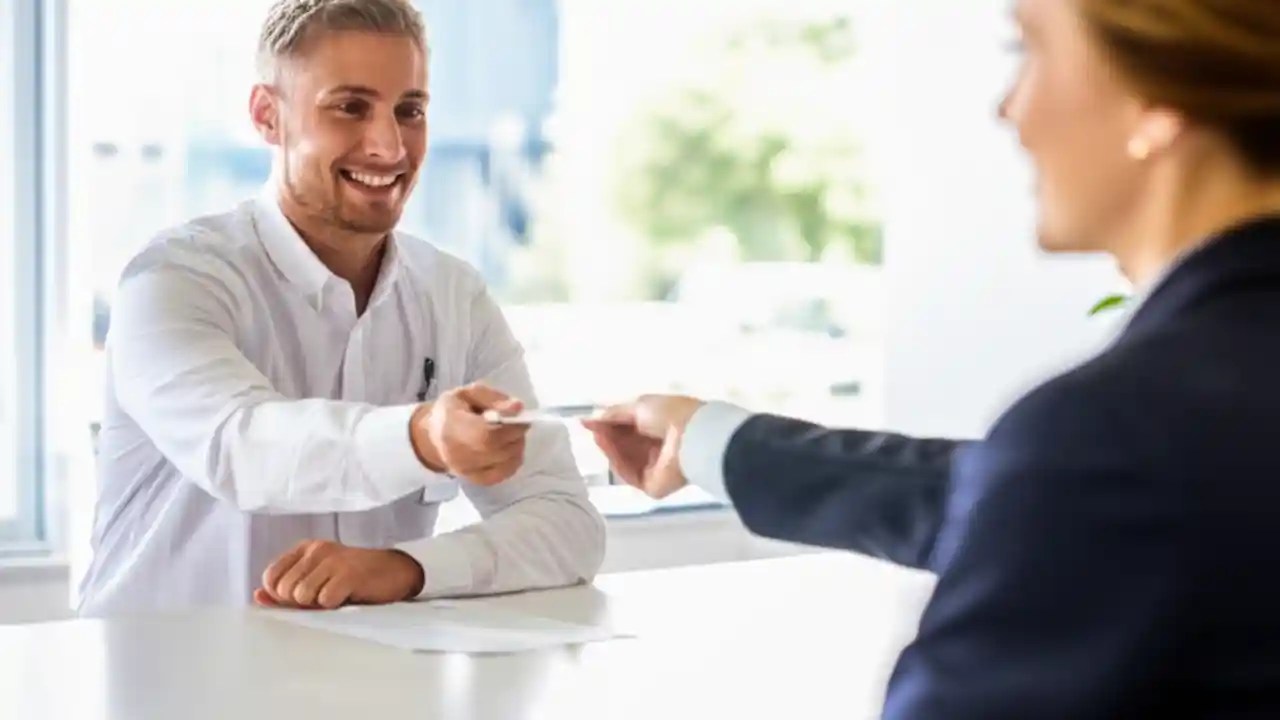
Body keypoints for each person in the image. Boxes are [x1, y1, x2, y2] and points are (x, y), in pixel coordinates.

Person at [587, 0, 1280, 716]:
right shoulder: (1172, 435)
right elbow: (1028, 507)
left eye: (1030, 50)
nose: (1011, 110)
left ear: (1154, 101)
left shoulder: (1111, 440)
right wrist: (713, 442)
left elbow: (1078, 498)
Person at [78, 0, 604, 616]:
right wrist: (421, 438)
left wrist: (405, 568)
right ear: (267, 115)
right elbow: (241, 448)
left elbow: (566, 524)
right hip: (161, 673)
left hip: (367, 672)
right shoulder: (174, 281)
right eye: (350, 107)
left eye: (409, 110)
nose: (388, 146)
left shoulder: (452, 295)